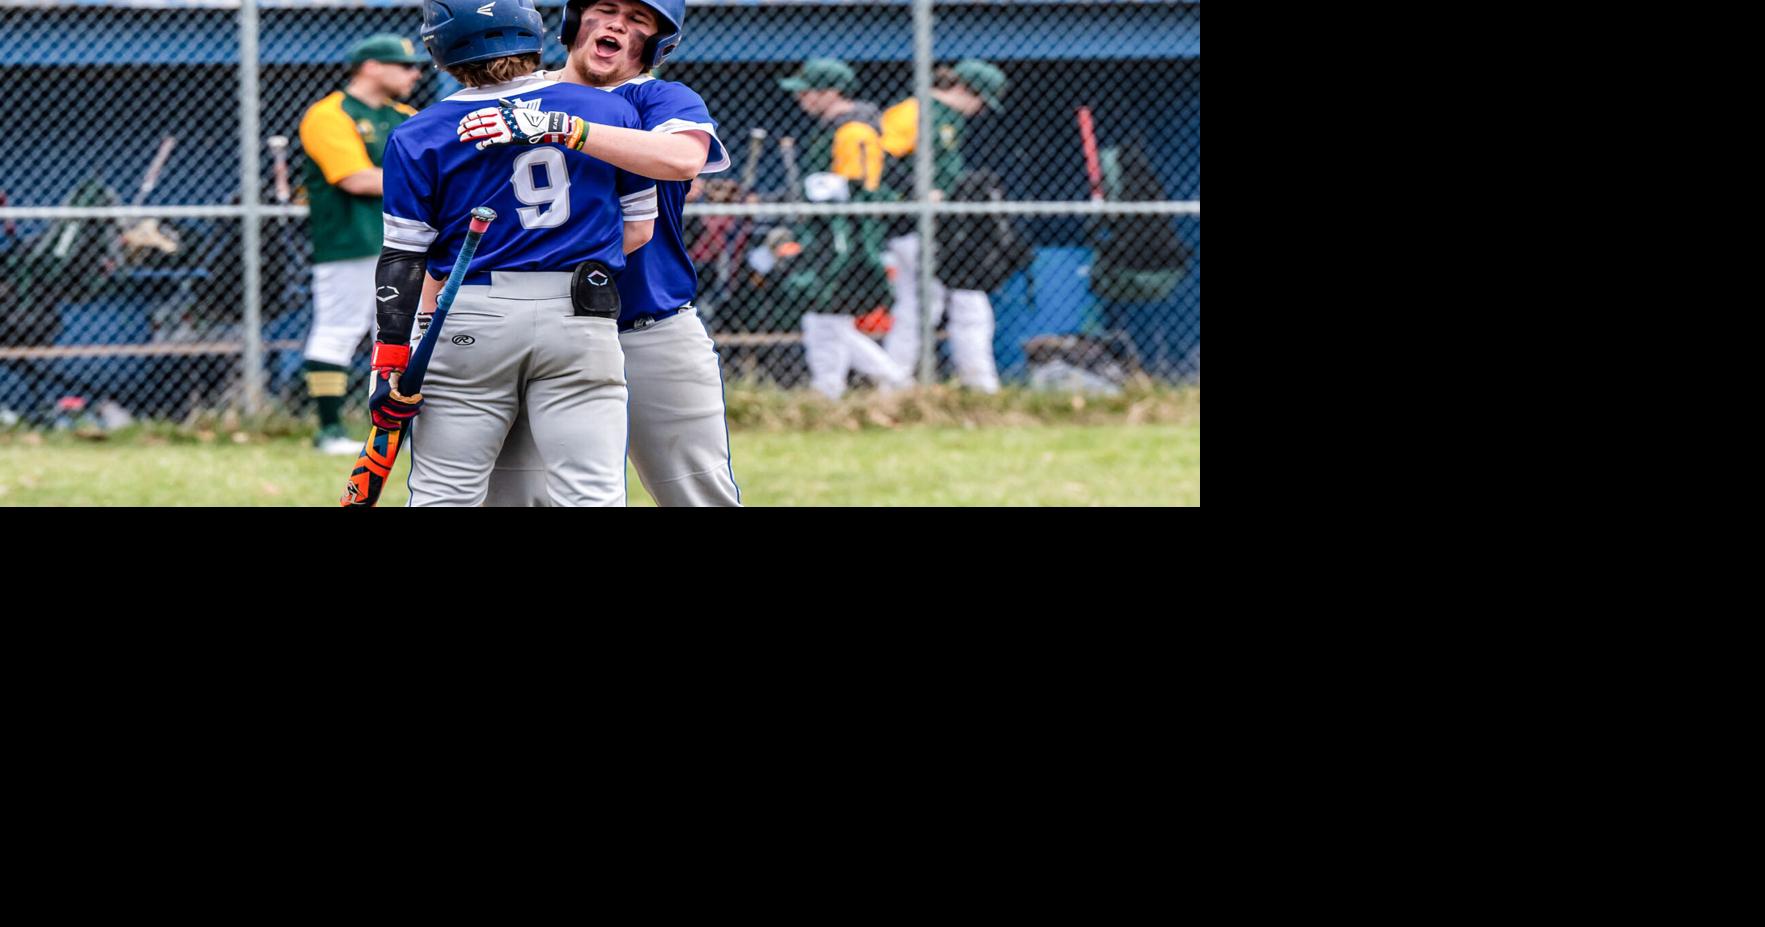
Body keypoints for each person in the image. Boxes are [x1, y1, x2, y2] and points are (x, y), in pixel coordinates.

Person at [454, 0, 743, 506]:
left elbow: (682, 157)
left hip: (649, 327)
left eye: (638, 20)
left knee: (697, 494)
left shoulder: (658, 97)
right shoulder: (512, 95)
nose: (617, 24)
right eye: (605, 9)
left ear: (655, 43)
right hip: (534, 330)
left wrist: (567, 129)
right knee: (514, 496)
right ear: (573, 23)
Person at [370, 0, 657, 506]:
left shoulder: (418, 132)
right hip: (580, 314)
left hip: (469, 316)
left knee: (445, 490)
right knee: (591, 491)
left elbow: (403, 258)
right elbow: (639, 229)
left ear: (439, 50)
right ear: (534, 34)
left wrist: (392, 353)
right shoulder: (608, 108)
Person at [294, 33, 429, 454]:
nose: (415, 73)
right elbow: (354, 178)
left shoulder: (406, 114)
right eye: (404, 65)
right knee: (338, 329)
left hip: (405, 240)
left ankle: (392, 429)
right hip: (350, 240)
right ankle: (330, 431)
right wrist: (429, 184)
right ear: (371, 66)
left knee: (400, 338)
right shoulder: (330, 114)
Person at [775, 57, 911, 400]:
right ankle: (856, 386)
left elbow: (854, 188)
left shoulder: (853, 129)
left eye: (808, 92)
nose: (801, 99)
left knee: (825, 317)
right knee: (824, 319)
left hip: (846, 235)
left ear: (830, 92)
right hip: (828, 232)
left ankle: (841, 388)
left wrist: (815, 194)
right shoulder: (833, 128)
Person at [879, 59, 1009, 393]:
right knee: (947, 303)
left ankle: (895, 382)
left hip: (939, 229)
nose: (978, 111)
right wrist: (916, 191)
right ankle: (976, 384)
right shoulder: (914, 110)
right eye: (979, 101)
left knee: (928, 304)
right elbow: (879, 158)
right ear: (966, 89)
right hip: (912, 224)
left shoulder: (949, 119)